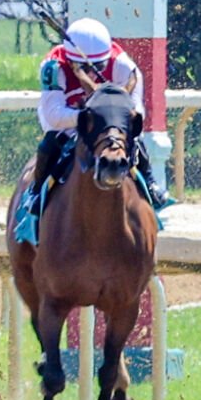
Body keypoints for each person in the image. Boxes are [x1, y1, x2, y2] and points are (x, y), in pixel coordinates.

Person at [14, 17, 168, 242]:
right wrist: (90, 119)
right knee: (49, 144)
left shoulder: (125, 67)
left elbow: (137, 114)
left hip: (110, 126)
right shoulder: (53, 67)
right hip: (69, 123)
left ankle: (150, 184)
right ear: (71, 62)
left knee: (135, 142)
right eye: (83, 68)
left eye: (99, 67)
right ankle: (36, 192)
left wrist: (109, 120)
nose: (93, 73)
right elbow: (53, 115)